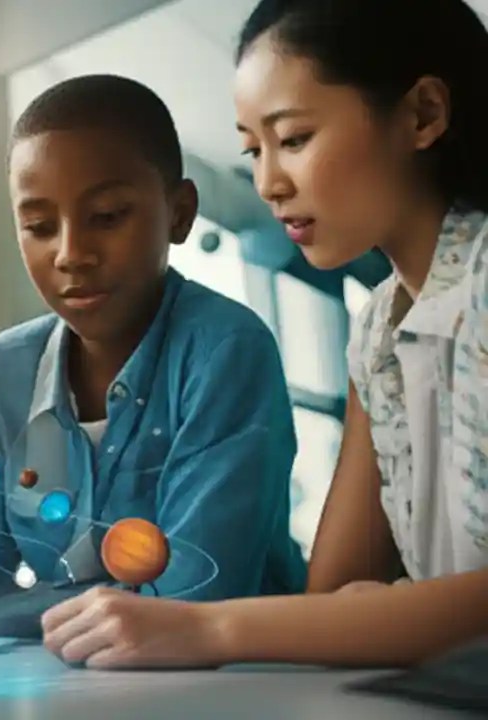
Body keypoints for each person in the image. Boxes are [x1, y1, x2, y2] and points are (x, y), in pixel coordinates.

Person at [43, 0, 488, 669]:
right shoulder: (376, 333)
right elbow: (334, 592)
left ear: (423, 114)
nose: (269, 183)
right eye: (254, 149)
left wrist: (214, 629)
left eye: (295, 139)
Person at [0, 74, 306, 633]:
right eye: (40, 226)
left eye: (106, 217)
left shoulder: (225, 350)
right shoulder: (4, 371)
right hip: (64, 682)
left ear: (179, 213)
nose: (71, 254)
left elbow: (193, 591)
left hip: (229, 685)